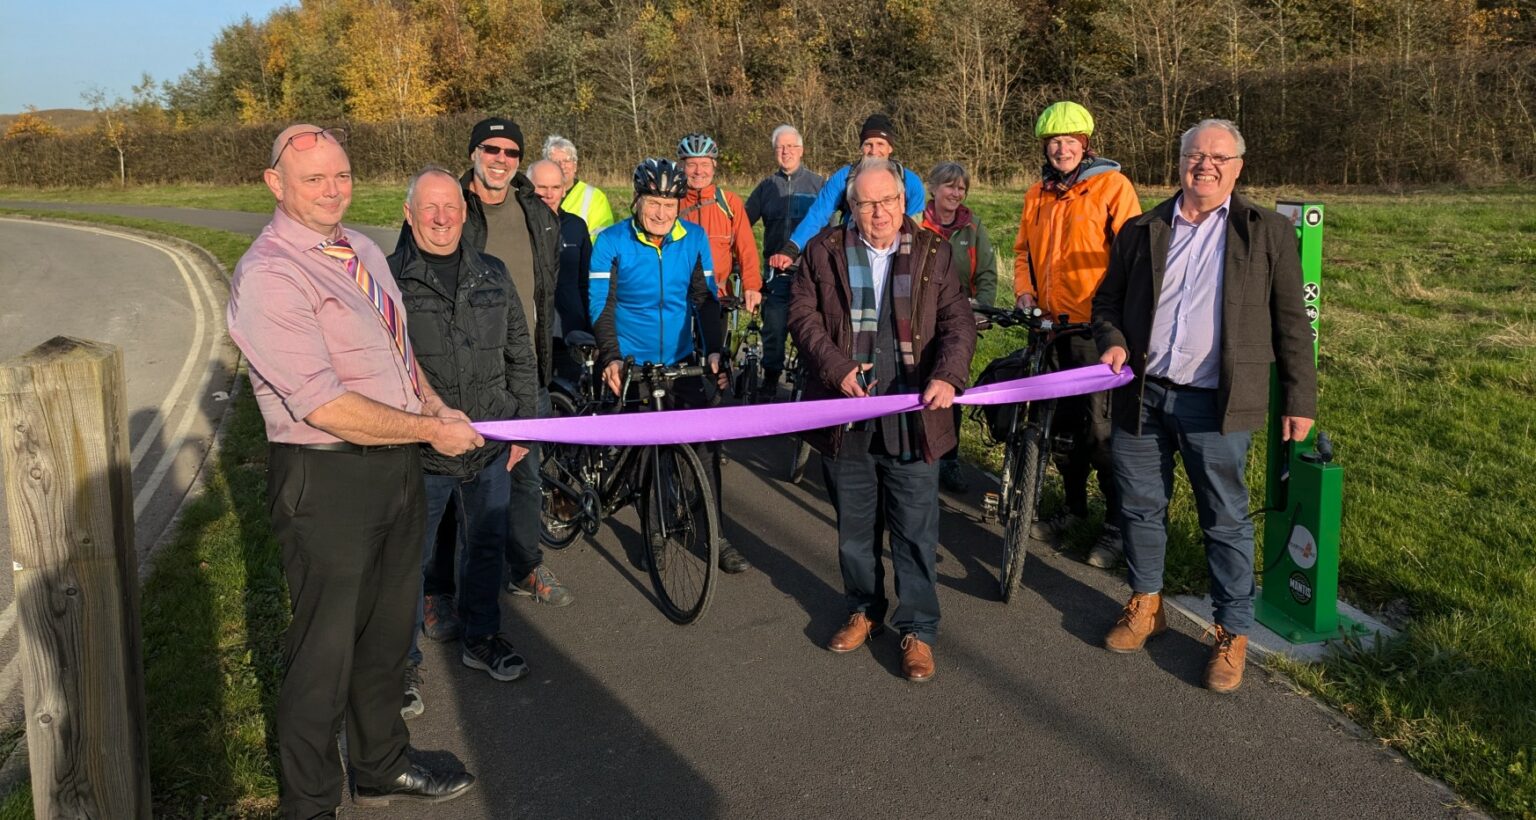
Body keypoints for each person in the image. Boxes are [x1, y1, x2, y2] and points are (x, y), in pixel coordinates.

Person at [227, 124, 477, 815]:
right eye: (314, 179)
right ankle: (309, 803)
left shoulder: (360, 248)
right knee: (323, 656)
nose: (333, 190)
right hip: (327, 478)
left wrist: (433, 403)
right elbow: (324, 405)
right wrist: (431, 430)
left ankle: (379, 766)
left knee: (386, 639)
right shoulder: (270, 273)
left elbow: (395, 354)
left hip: (395, 468)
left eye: (341, 175)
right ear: (275, 183)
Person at [1092, 118, 1317, 694]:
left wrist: (1299, 397)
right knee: (1140, 507)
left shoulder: (1264, 232)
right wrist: (1113, 341)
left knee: (1225, 518)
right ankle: (1146, 602)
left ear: (1239, 168)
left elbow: (1293, 323)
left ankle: (1231, 631)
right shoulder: (1143, 228)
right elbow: (1108, 303)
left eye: (1219, 156)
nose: (1206, 165)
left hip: (1216, 402)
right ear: (1181, 162)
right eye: (1196, 154)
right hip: (1143, 393)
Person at [786, 157, 977, 682]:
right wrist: (837, 368)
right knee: (854, 526)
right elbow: (802, 318)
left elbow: (958, 321)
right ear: (851, 207)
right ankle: (864, 609)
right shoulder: (822, 253)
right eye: (867, 204)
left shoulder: (935, 252)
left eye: (888, 201)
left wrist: (949, 376)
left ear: (903, 201)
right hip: (846, 411)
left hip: (914, 412)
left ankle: (917, 629)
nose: (879, 213)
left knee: (915, 529)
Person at [391, 166, 538, 698]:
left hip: (488, 445)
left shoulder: (493, 273)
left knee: (487, 546)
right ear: (409, 215)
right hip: (419, 452)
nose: (441, 218)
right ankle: (400, 666)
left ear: (463, 213)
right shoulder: (387, 280)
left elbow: (520, 353)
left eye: (451, 207)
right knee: (410, 559)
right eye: (429, 208)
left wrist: (525, 429)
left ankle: (482, 637)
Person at [588, 158, 749, 574]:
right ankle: (655, 534)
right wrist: (611, 355)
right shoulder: (611, 242)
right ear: (637, 201)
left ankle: (714, 535)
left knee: (705, 446)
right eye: (653, 202)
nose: (661, 212)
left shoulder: (693, 238)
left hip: (679, 359)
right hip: (633, 360)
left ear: (680, 205)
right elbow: (601, 306)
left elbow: (704, 298)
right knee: (651, 454)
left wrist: (713, 350)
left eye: (670, 203)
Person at [1012, 100, 1143, 568]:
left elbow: (1132, 257)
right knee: (1061, 430)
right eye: (1054, 142)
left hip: (1096, 329)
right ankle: (1072, 509)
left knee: (1101, 431)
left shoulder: (1111, 186)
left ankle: (1116, 525)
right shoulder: (1037, 194)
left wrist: (1119, 324)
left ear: (1085, 145)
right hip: (1050, 328)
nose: (1061, 149)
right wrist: (1025, 292)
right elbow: (1023, 251)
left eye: (1070, 141)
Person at [459, 118, 575, 608]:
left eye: (510, 152)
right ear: (473, 154)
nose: (500, 159)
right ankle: (444, 588)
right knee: (458, 481)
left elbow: (545, 287)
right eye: (491, 149)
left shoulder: (534, 210)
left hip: (525, 366)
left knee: (527, 475)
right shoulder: (450, 206)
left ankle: (525, 567)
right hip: (463, 370)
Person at [920, 160, 998, 493]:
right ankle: (915, 450)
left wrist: (981, 309)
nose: (956, 193)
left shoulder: (974, 228)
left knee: (950, 387)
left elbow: (987, 275)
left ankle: (948, 459)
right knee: (917, 383)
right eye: (950, 186)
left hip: (959, 320)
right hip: (920, 318)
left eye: (962, 187)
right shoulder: (915, 225)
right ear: (933, 189)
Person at [767, 113, 926, 273]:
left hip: (896, 254)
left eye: (880, 144)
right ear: (861, 147)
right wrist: (792, 249)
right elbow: (818, 214)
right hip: (854, 250)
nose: (874, 151)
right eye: (868, 144)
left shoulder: (911, 182)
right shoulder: (843, 178)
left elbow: (914, 226)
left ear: (890, 148)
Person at [744, 124, 823, 401]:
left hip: (810, 275)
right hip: (776, 275)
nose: (786, 151)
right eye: (780, 147)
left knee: (810, 331)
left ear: (801, 150)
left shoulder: (818, 185)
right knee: (774, 329)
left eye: (791, 146)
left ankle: (810, 381)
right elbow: (743, 226)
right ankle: (771, 380)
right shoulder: (766, 187)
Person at [676, 132, 762, 318]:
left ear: (714, 166)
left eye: (705, 164)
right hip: (677, 298)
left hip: (717, 296)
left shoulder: (729, 202)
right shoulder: (671, 203)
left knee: (714, 347)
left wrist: (752, 286)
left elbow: (746, 248)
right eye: (692, 164)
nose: (699, 171)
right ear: (681, 166)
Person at [529, 157, 595, 385]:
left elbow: (586, 282)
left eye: (555, 187)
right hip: (531, 335)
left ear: (564, 190)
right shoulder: (519, 227)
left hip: (569, 332)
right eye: (542, 187)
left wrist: (590, 327)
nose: (549, 194)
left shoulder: (576, 226)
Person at [545, 134, 615, 242]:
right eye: (556, 162)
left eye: (567, 161)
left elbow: (603, 240)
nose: (562, 166)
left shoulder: (595, 197)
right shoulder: (536, 194)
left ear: (575, 166)